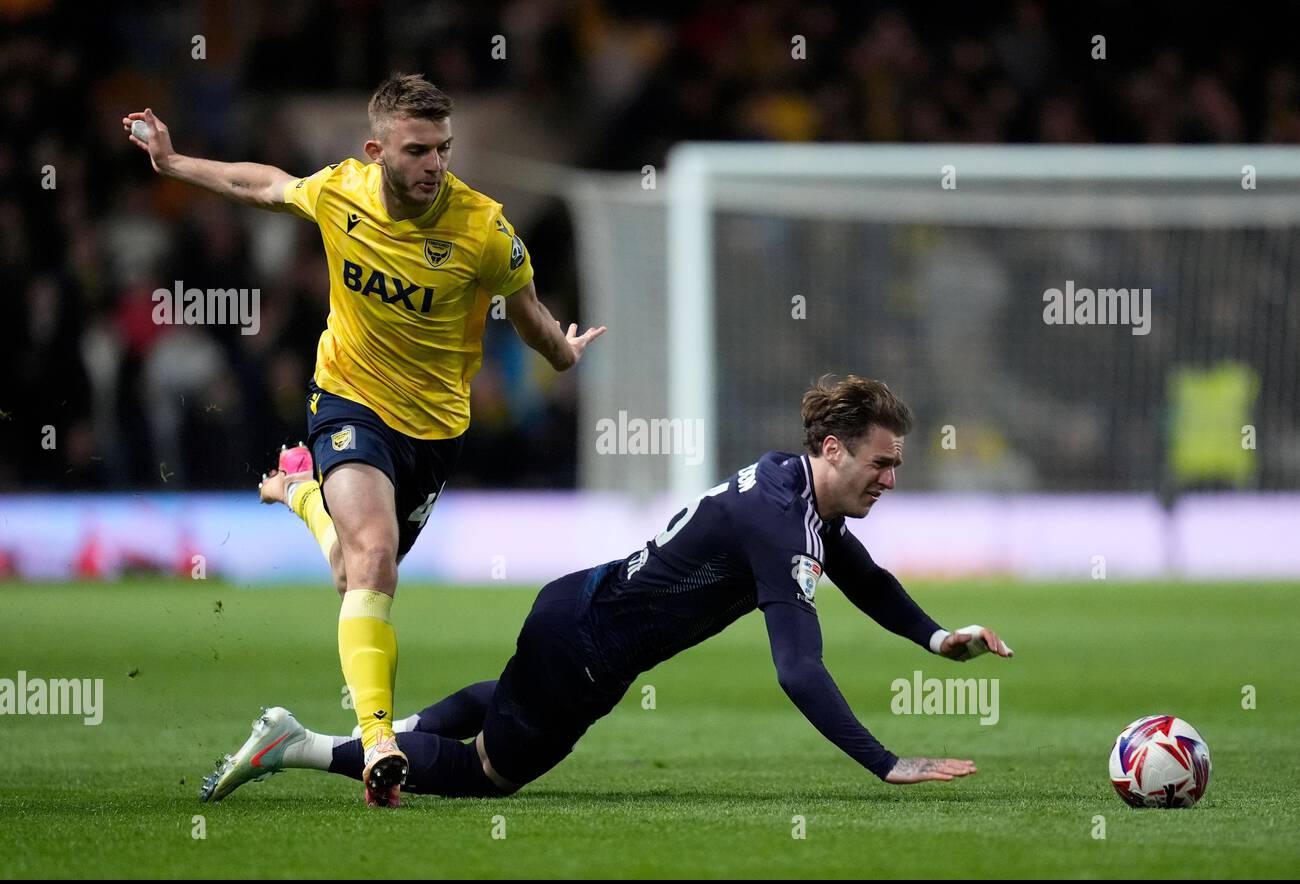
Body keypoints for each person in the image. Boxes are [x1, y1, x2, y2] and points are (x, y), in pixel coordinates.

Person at [125, 75, 605, 807]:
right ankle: (378, 737)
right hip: (348, 399)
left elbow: (529, 313)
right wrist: (173, 162)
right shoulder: (341, 192)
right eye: (417, 150)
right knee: (375, 556)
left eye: (443, 149)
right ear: (376, 149)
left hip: (435, 430)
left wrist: (563, 356)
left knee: (357, 576)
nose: (434, 165)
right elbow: (263, 184)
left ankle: (302, 496)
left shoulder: (484, 230)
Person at [201, 376, 1013, 805]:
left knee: (506, 696)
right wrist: (886, 762)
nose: (892, 478)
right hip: (588, 650)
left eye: (898, 464)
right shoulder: (780, 522)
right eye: (881, 463)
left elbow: (860, 572)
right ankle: (299, 745)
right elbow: (799, 669)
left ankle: (400, 723)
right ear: (833, 449)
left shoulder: (790, 486)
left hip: (576, 611)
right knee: (491, 773)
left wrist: (938, 637)